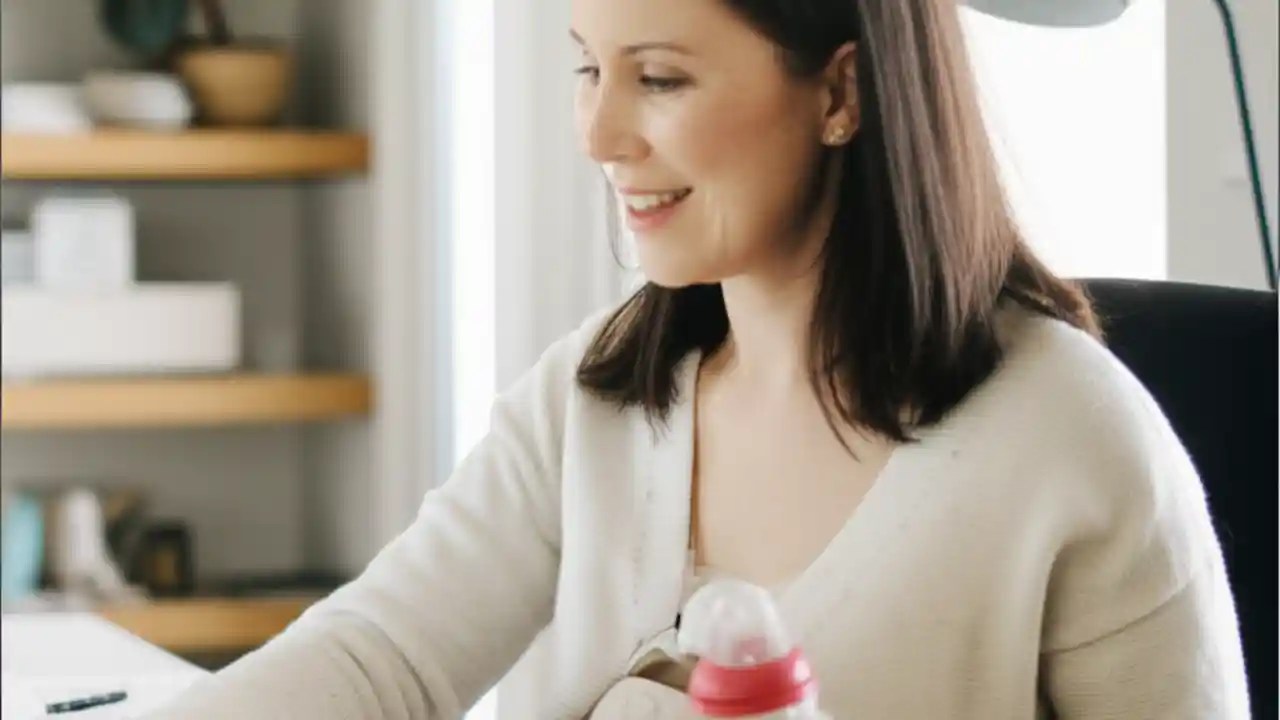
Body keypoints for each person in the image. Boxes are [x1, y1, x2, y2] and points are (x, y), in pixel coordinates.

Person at [149, 0, 1250, 717]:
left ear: (839, 93)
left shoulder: (1067, 440)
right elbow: (380, 657)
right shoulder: (594, 398)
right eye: (588, 69)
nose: (598, 134)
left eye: (660, 79)